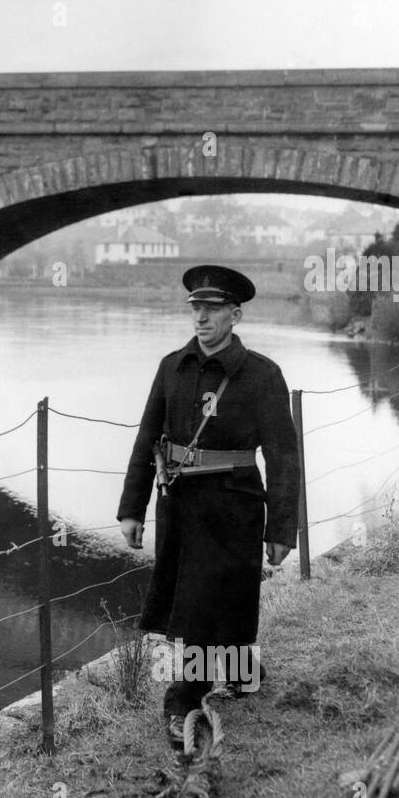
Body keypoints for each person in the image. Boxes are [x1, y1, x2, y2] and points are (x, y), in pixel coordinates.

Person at [116, 264, 300, 747]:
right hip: (178, 506)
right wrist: (131, 508)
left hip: (235, 507)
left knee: (226, 596)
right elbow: (146, 438)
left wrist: (282, 528)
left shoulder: (262, 375)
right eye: (196, 308)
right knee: (191, 602)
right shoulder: (171, 367)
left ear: (235, 315)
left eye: (213, 309)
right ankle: (227, 672)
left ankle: (186, 696)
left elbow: (283, 456)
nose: (202, 317)